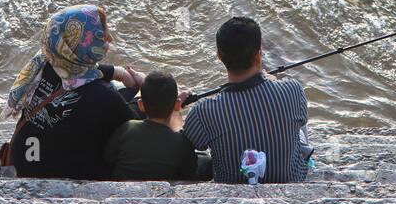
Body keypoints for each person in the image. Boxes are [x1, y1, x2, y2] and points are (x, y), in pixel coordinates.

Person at [4, 4, 145, 179]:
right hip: (54, 175)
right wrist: (146, 91)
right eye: (101, 34)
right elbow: (139, 130)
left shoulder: (44, 64)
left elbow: (85, 72)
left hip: (22, 161)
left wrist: (118, 72)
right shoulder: (103, 95)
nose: (109, 38)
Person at [182, 16, 312, 184]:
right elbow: (300, 119)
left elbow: (188, 143)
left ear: (219, 56)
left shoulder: (203, 110)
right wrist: (273, 83)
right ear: (259, 55)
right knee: (299, 126)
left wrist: (174, 109)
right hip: (292, 182)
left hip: (231, 187)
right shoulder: (292, 89)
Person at [103, 71, 199, 182]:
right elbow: (190, 176)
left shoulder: (127, 128)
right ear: (177, 105)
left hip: (121, 191)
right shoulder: (182, 142)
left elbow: (108, 158)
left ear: (141, 105)